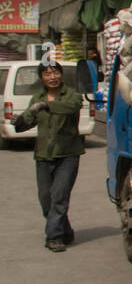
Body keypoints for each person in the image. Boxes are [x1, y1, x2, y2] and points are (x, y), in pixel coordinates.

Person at [12, 60, 84, 252]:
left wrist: (46, 106)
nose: (52, 77)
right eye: (47, 74)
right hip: (43, 155)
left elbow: (71, 108)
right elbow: (26, 122)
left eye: (55, 73)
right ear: (41, 77)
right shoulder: (36, 99)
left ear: (61, 75)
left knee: (59, 196)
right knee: (46, 199)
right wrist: (18, 121)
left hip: (68, 155)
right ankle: (65, 231)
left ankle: (54, 237)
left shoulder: (72, 96)